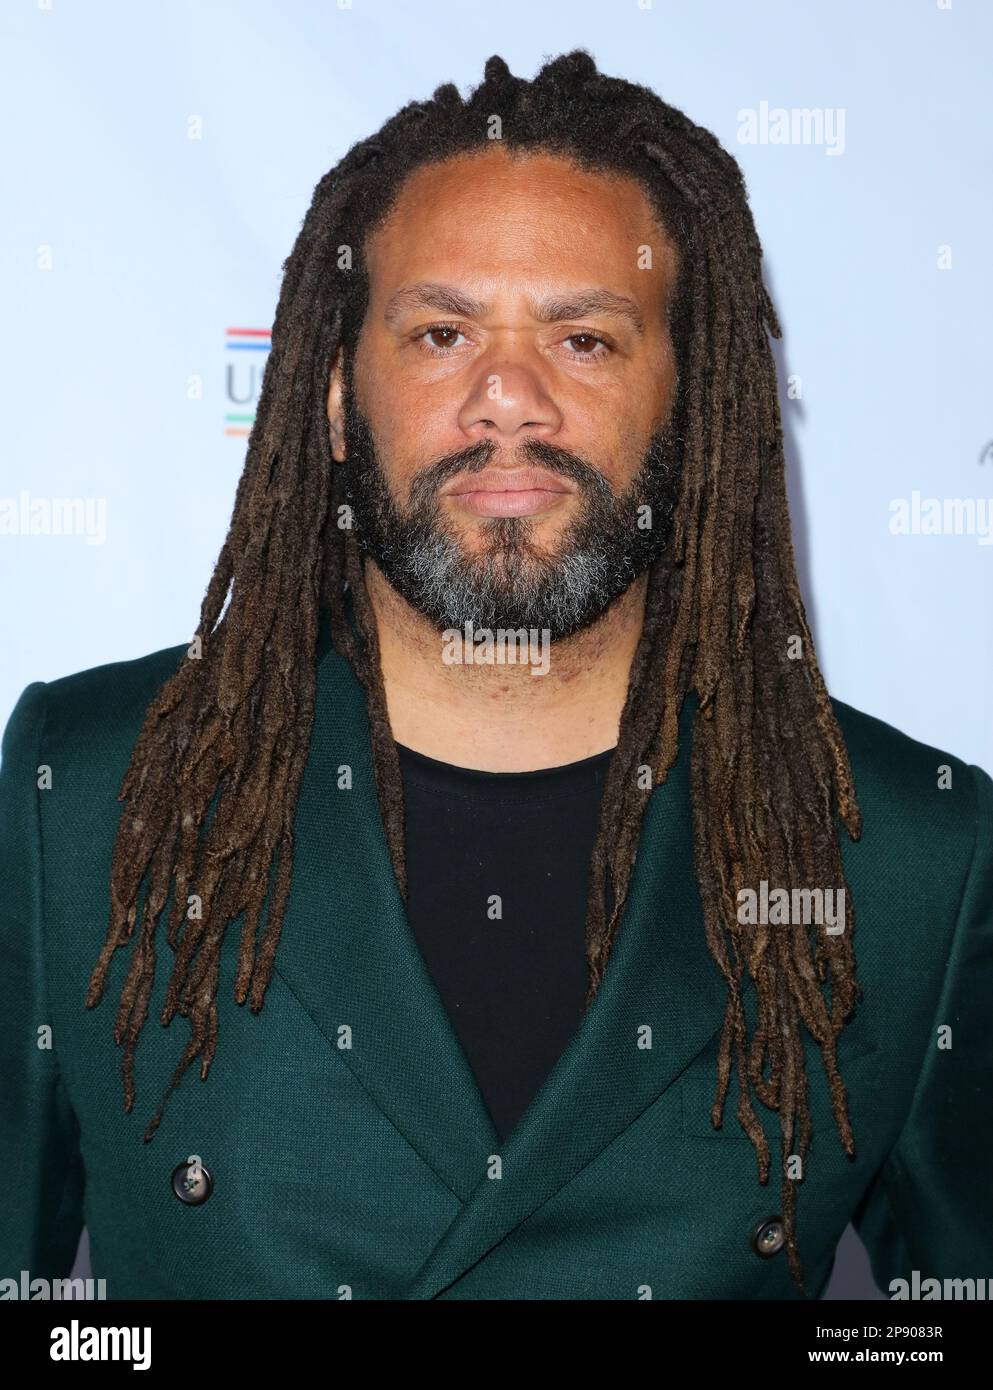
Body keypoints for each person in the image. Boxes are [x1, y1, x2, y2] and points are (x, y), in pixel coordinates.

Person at [2, 50, 990, 1301]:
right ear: (334, 403)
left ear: (697, 403)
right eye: (441, 331)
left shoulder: (906, 854)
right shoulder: (88, 789)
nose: (507, 397)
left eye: (585, 337)